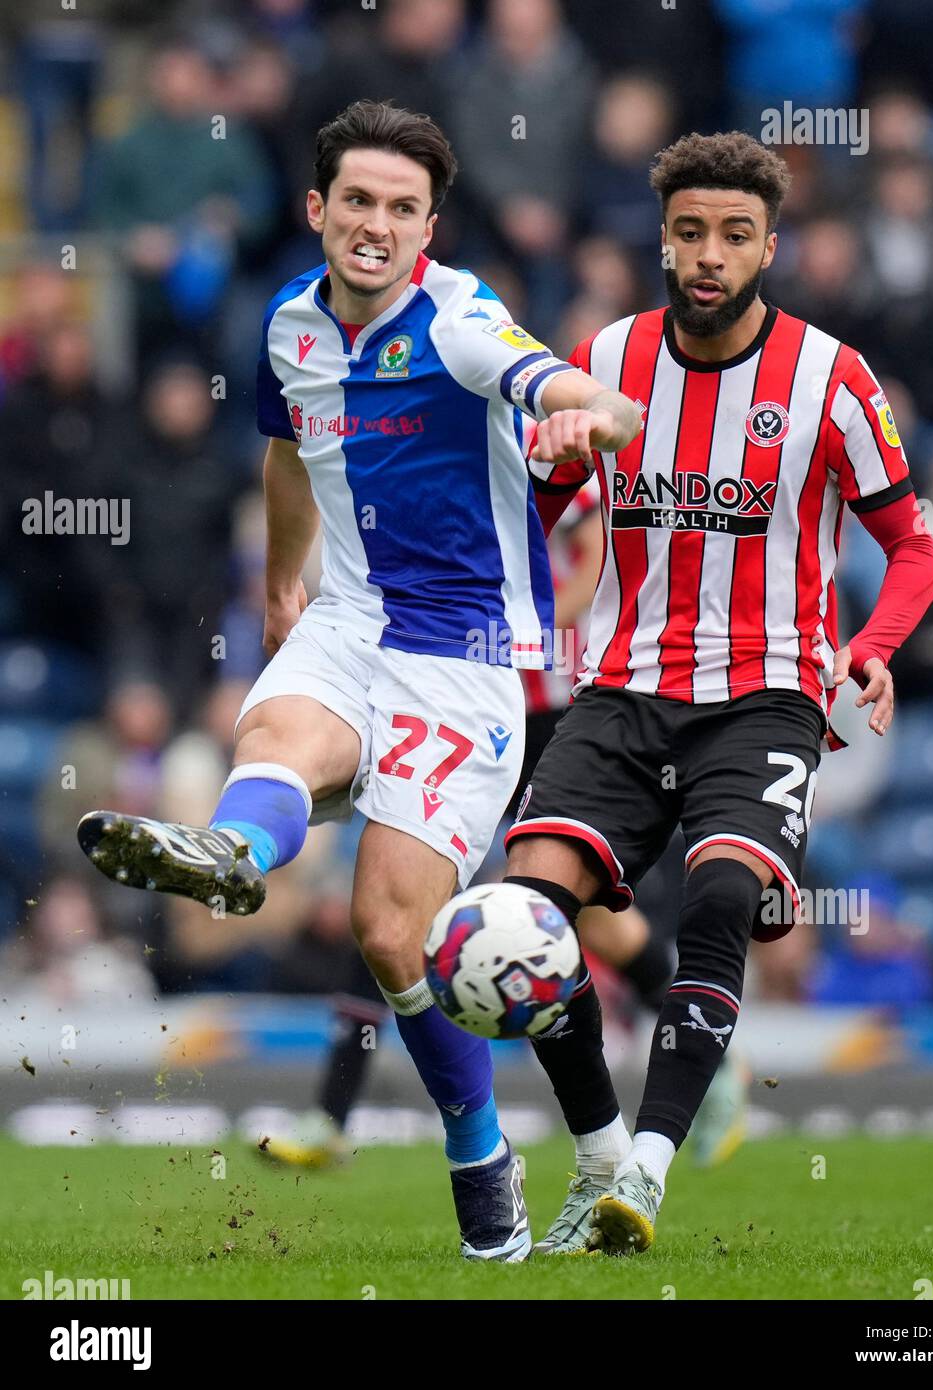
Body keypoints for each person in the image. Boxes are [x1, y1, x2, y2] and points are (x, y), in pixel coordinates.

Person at [77, 100, 642, 1262]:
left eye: (400, 208)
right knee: (276, 730)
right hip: (348, 618)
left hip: (466, 661)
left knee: (394, 937)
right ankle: (231, 854)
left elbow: (561, 387)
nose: (375, 226)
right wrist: (285, 578)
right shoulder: (288, 326)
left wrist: (594, 414)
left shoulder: (459, 319)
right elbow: (290, 446)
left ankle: (481, 1154)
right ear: (315, 209)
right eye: (357, 203)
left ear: (427, 225)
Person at [500, 129, 933, 1254]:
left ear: (767, 246)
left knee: (713, 901)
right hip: (621, 687)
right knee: (525, 915)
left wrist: (876, 644)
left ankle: (643, 1174)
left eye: (732, 235)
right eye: (690, 232)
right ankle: (596, 1148)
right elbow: (526, 518)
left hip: (768, 696)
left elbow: (914, 548)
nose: (708, 255)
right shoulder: (599, 360)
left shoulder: (829, 379)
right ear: (663, 238)